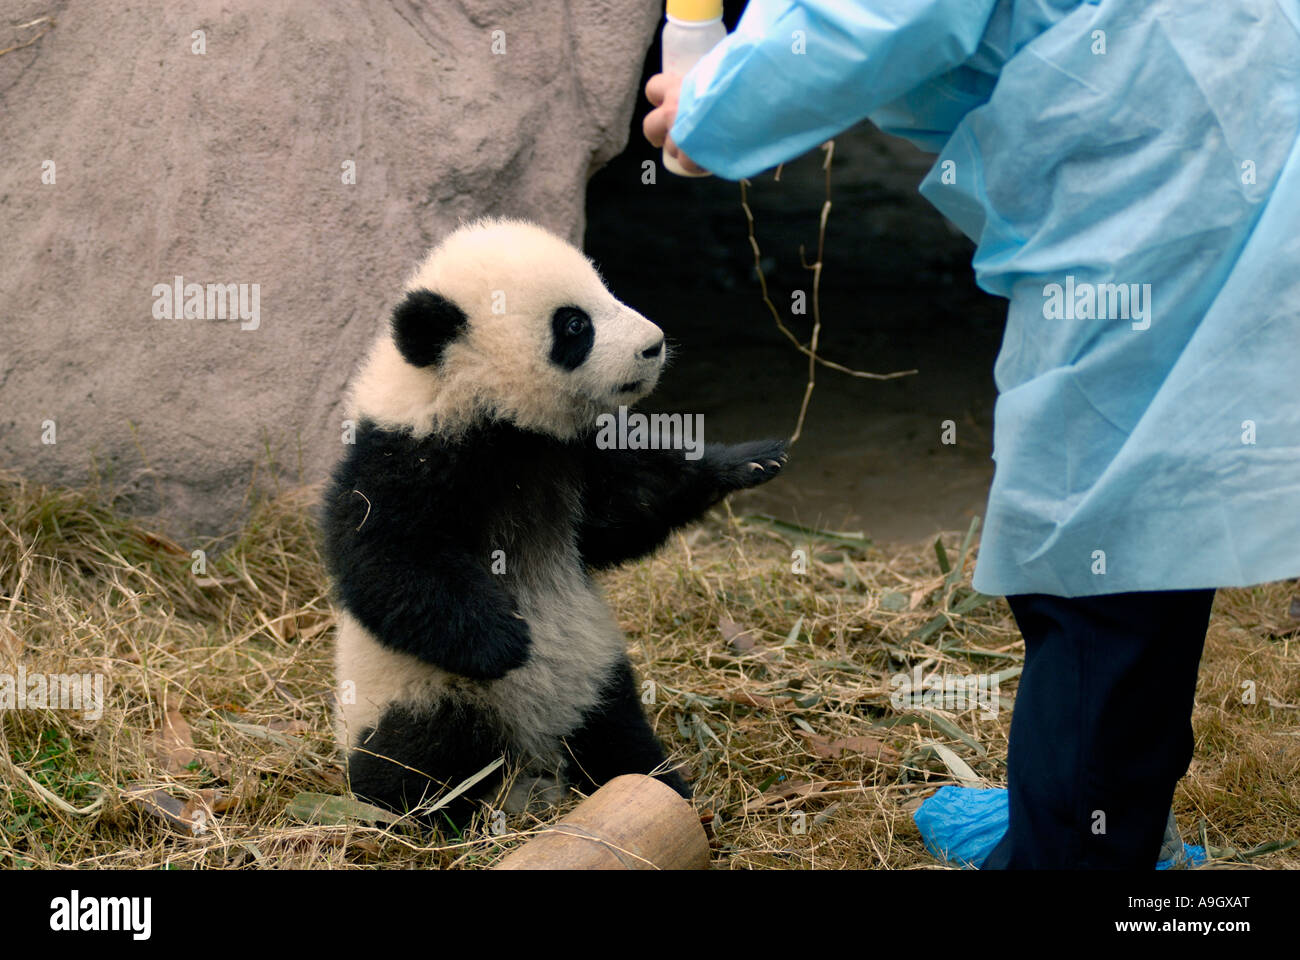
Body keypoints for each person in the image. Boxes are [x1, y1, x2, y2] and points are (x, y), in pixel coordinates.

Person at [642, 0, 1300, 869]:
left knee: (1098, 547)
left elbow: (882, 14)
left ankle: (1082, 845)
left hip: (1162, 160)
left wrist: (716, 106)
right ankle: (1098, 813)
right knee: (1135, 514)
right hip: (1194, 114)